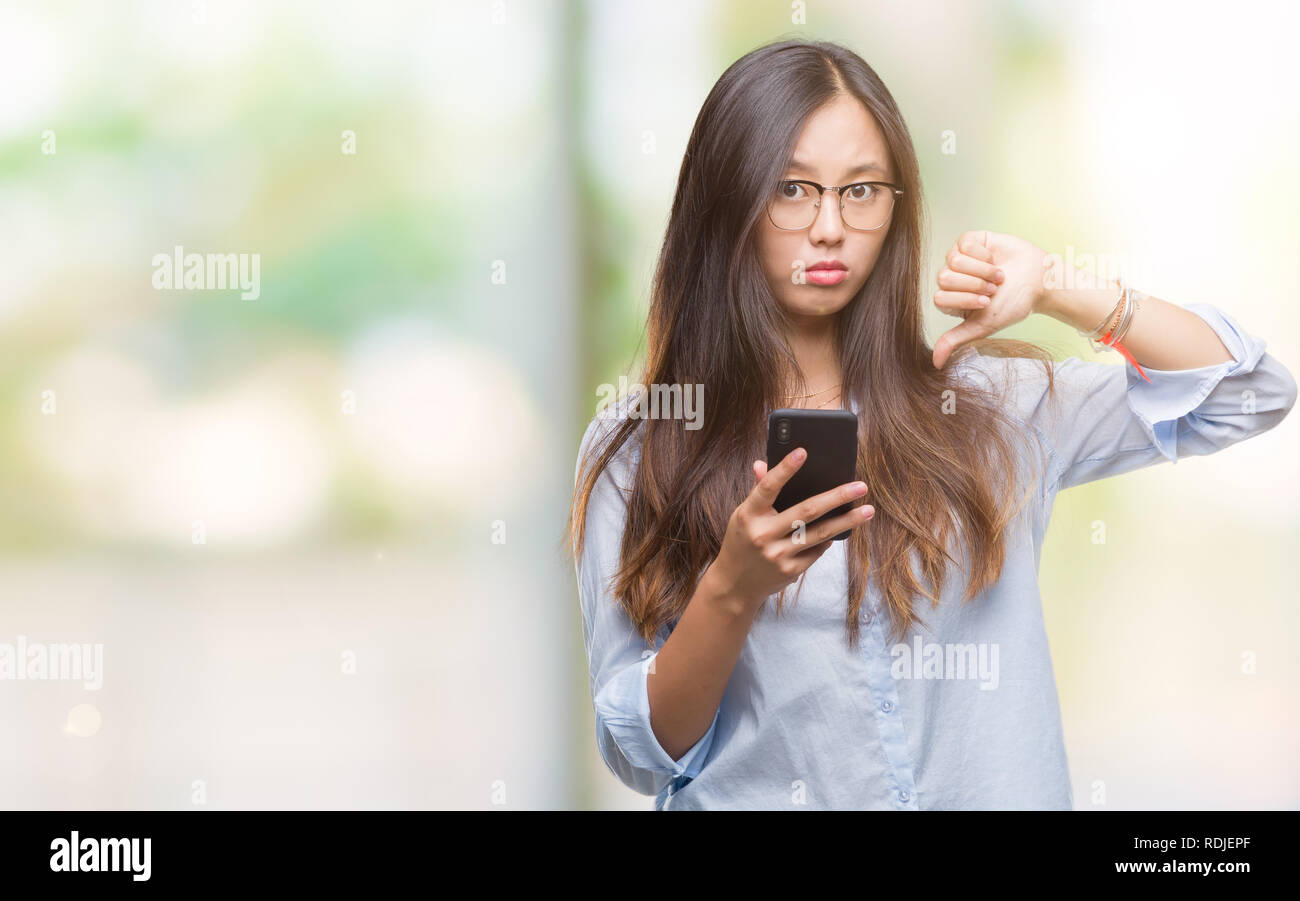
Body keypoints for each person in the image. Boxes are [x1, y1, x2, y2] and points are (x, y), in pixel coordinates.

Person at [566, 38, 1295, 810]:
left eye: (862, 191)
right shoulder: (642, 448)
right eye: (791, 188)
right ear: (727, 199)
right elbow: (639, 756)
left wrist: (1057, 285)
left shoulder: (993, 408)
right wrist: (730, 590)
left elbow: (1248, 392)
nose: (829, 227)